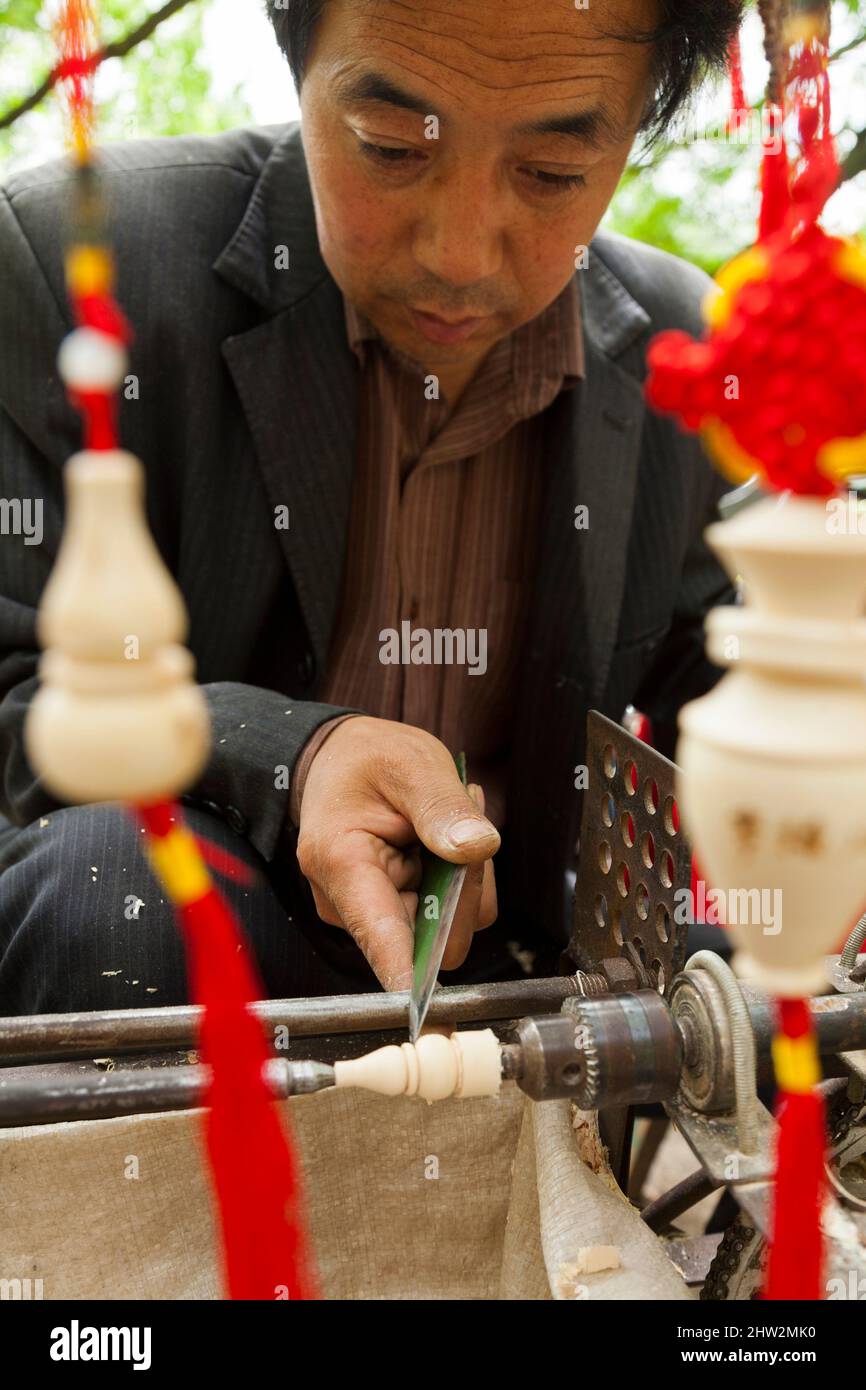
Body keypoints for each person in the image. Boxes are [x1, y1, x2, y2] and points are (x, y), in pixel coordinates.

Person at [0, 0, 741, 1014]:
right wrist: (293, 756)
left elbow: (723, 690)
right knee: (109, 881)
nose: (459, 253)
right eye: (391, 149)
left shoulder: (684, 357)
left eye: (552, 174)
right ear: (295, 56)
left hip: (524, 988)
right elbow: (17, 691)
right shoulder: (68, 270)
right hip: (200, 947)